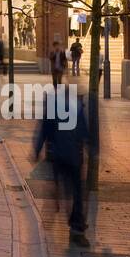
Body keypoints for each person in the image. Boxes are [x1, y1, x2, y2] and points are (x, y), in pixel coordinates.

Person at [33, 91, 93, 247]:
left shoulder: (54, 107)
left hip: (59, 157)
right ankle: (76, 229)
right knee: (76, 193)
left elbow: (44, 130)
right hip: (73, 158)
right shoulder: (77, 108)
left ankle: (57, 204)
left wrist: (37, 150)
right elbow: (84, 132)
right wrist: (92, 149)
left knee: (66, 189)